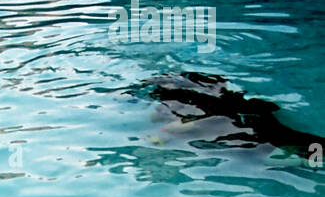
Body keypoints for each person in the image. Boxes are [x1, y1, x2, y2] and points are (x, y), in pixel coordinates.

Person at [135, 71, 321, 158]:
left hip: (239, 127)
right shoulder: (206, 92)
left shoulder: (175, 103)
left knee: (277, 141)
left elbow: (177, 124)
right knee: (285, 138)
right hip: (248, 116)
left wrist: (165, 130)